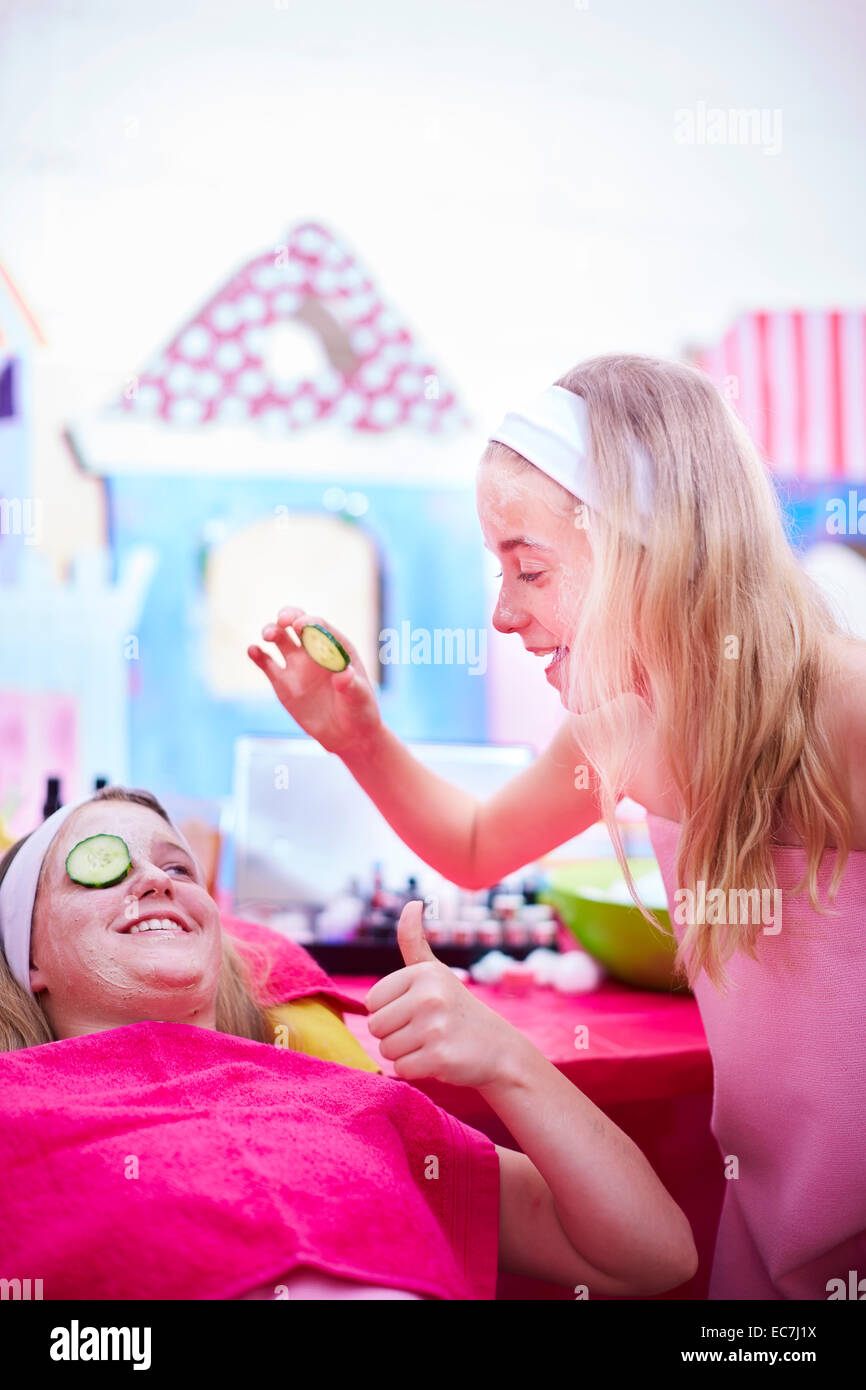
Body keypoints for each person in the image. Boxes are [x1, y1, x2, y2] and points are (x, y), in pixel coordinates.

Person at [249, 352, 866, 1301]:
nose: (501, 614)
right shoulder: (625, 724)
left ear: (652, 551)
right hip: (766, 1236)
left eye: (528, 569)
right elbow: (475, 841)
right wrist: (359, 737)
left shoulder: (845, 712)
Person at [0, 785, 697, 1301]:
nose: (154, 880)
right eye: (102, 865)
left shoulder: (356, 1104)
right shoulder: (14, 1108)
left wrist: (510, 1063)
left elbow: (654, 1256)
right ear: (27, 955)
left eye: (179, 869)